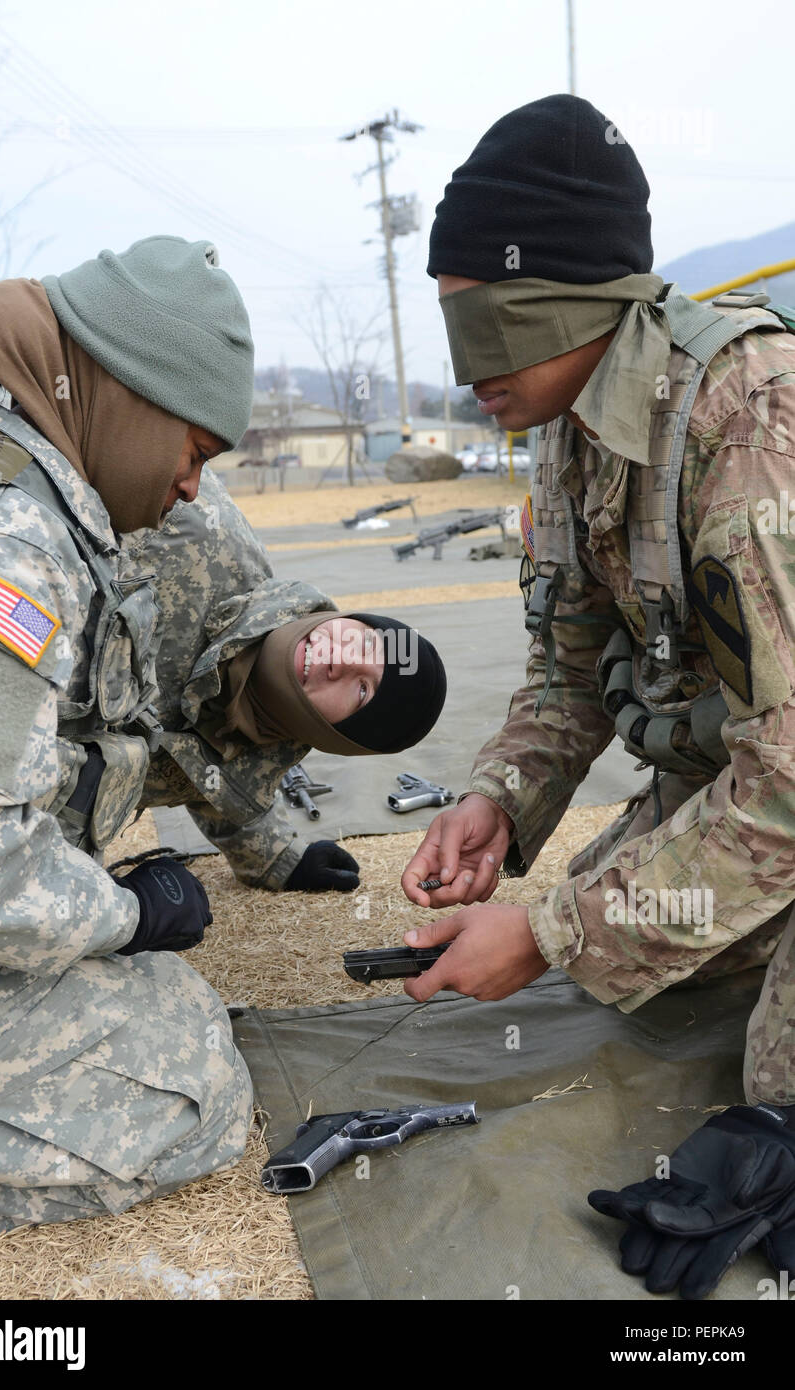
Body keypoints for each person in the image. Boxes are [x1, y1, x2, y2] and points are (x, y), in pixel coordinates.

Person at [399, 94, 795, 1295]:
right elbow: (570, 671)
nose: (464, 368)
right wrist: (499, 803)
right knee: (646, 949)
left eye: (481, 321)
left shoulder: (746, 413)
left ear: (569, 300)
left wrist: (554, 931)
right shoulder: (572, 433)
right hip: (746, 785)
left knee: (775, 1088)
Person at [0, 236, 260, 1247]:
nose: (193, 487)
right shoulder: (1, 541)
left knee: (166, 1005)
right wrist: (123, 915)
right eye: (193, 451)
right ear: (131, 398)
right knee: (189, 1092)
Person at [125, 466, 447, 893]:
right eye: (366, 642)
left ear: (336, 736)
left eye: (362, 690)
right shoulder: (194, 531)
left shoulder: (263, 735)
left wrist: (278, 857)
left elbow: (212, 769)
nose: (340, 660)